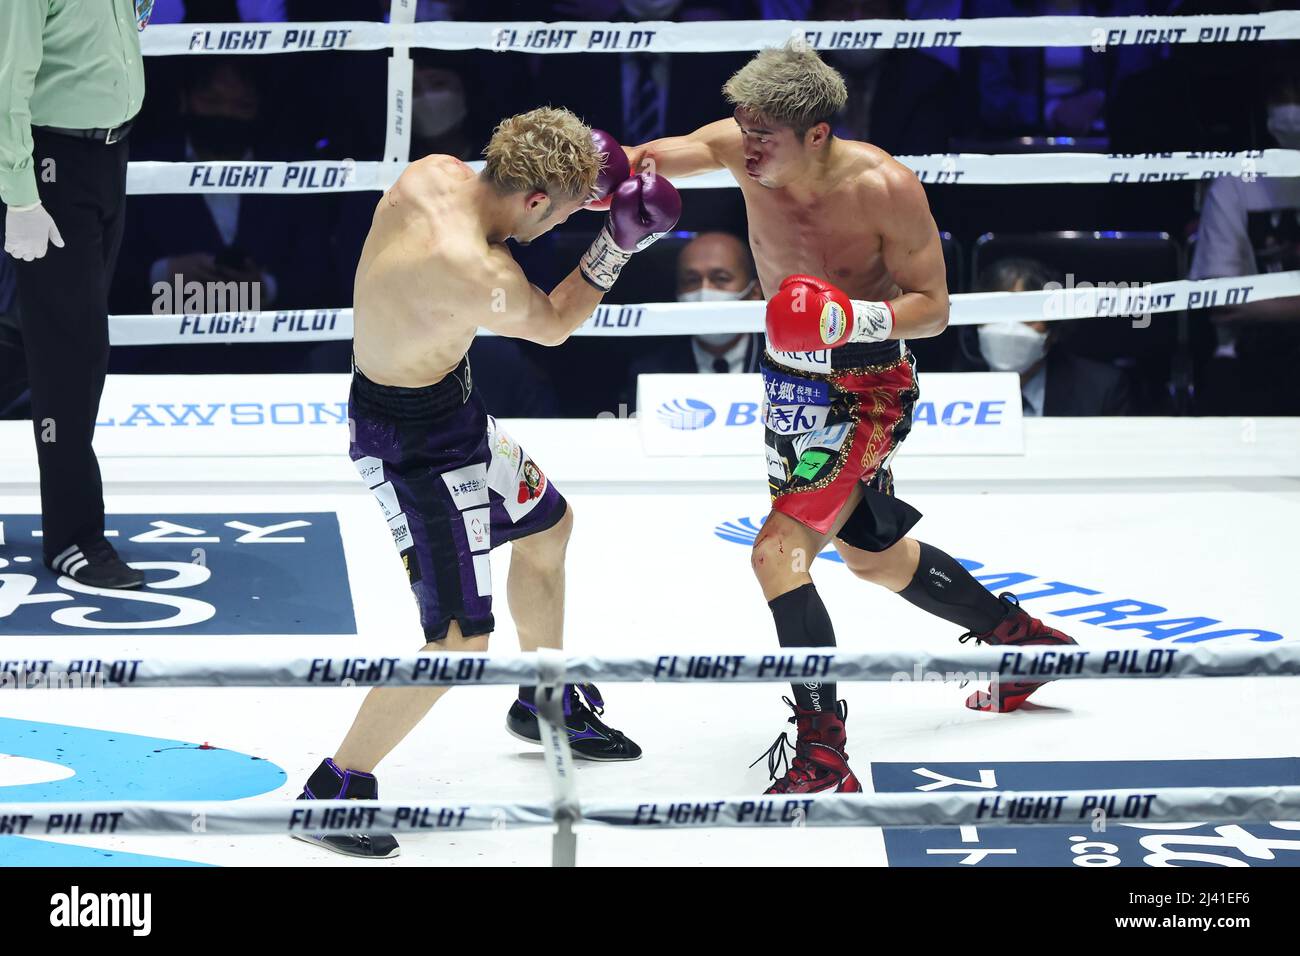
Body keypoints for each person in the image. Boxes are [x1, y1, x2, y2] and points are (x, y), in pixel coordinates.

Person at [604, 43, 1077, 795]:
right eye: (743, 129)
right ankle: (1021, 641)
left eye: (765, 137)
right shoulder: (739, 146)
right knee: (871, 557)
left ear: (817, 134)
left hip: (867, 384)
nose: (746, 149)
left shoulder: (885, 186)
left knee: (777, 553)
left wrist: (848, 318)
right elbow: (649, 157)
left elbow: (933, 308)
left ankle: (823, 752)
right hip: (788, 378)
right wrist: (598, 178)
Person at [296, 108, 681, 858]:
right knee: (458, 641)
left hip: (448, 407)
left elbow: (522, 188)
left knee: (549, 527)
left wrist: (587, 188)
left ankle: (544, 699)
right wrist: (617, 243)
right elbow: (555, 323)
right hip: (414, 450)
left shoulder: (432, 174)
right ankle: (334, 789)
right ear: (535, 199)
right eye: (565, 211)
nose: (567, 220)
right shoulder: (479, 272)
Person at [1, 1, 149, 589]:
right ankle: (73, 536)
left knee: (29, 336)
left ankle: (72, 528)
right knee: (72, 352)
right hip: (52, 162)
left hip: (107, 155)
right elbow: (6, 79)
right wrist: (20, 196)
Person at [967, 258, 1134, 417]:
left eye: (1026, 316)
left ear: (1053, 331)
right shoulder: (953, 384)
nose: (1008, 328)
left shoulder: (1102, 390)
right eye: (996, 313)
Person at [622, 230, 763, 407]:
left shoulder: (783, 366)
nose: (705, 291)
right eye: (692, 280)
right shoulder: (651, 371)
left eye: (721, 278)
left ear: (754, 292)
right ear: (678, 292)